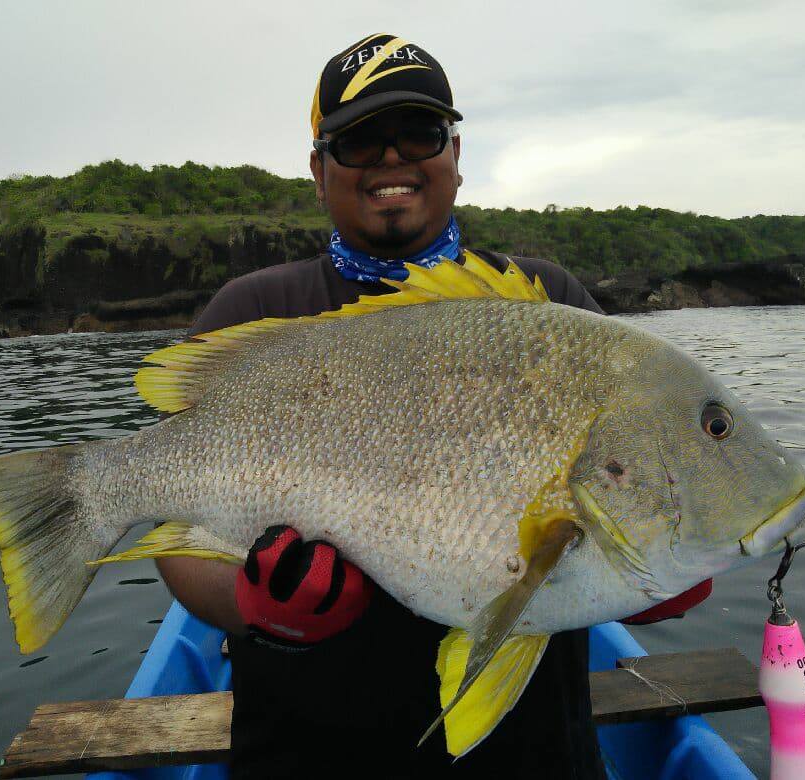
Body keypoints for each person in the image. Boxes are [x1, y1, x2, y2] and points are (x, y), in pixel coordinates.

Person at [156, 33, 711, 779]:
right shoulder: (255, 310)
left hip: (530, 756)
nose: (392, 158)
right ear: (319, 170)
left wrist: (659, 567)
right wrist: (251, 607)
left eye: (418, 133)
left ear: (454, 154)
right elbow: (171, 532)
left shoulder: (552, 304)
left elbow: (618, 493)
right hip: (305, 754)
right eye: (358, 141)